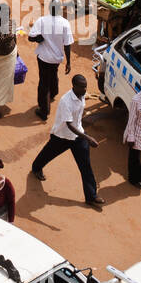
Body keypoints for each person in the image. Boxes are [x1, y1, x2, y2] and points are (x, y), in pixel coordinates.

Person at [31, 74, 105, 207]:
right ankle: (36, 168)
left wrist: (83, 133)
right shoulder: (66, 101)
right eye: (82, 87)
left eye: (85, 86)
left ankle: (91, 196)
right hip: (62, 136)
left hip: (78, 137)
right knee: (48, 154)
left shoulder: (81, 96)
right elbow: (69, 125)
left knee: (86, 166)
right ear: (74, 86)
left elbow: (76, 121)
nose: (84, 89)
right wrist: (88, 138)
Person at [28, 0, 73, 122]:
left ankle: (44, 111)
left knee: (43, 83)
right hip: (57, 59)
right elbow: (67, 44)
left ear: (49, 8)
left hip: (43, 58)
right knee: (53, 74)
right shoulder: (65, 23)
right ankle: (54, 92)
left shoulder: (42, 21)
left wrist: (39, 39)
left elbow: (30, 38)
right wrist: (68, 62)